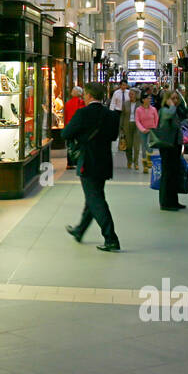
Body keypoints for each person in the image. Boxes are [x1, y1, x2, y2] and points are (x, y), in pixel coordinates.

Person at [61, 81, 122, 252]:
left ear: (88, 95)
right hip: (104, 160)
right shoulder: (110, 115)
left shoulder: (82, 113)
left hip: (88, 160)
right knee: (93, 196)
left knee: (96, 199)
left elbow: (66, 133)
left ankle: (111, 238)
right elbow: (113, 136)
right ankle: (80, 230)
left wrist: (82, 135)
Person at [154, 90, 188, 211]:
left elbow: (185, 112)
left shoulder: (175, 110)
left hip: (175, 145)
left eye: (176, 98)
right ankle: (166, 202)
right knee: (168, 174)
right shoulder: (165, 111)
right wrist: (172, 106)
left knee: (174, 173)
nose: (175, 101)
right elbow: (168, 120)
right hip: (168, 146)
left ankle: (174, 200)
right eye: (172, 98)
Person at [133, 93, 158, 174]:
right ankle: (145, 166)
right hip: (143, 130)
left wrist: (155, 129)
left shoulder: (153, 109)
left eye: (150, 98)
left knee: (149, 145)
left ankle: (149, 159)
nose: (149, 100)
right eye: (147, 98)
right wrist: (142, 129)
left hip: (152, 130)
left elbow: (156, 119)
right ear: (143, 100)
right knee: (144, 147)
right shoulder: (138, 110)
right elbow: (137, 120)